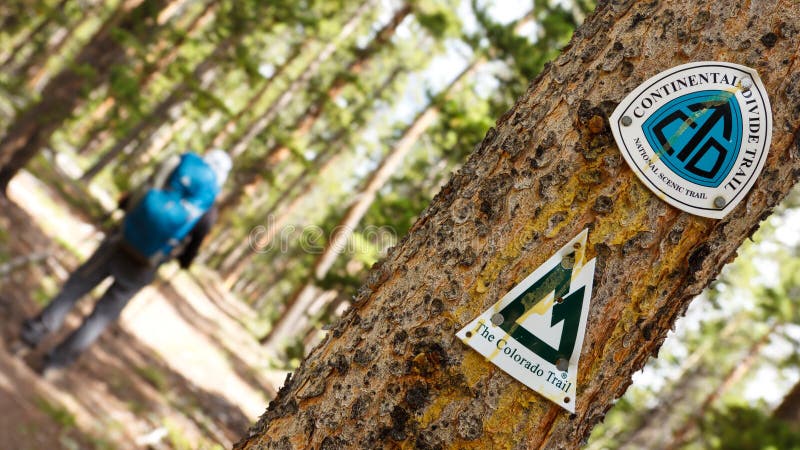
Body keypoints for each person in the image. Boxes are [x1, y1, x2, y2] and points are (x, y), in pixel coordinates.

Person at [18, 149, 232, 374]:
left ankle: (29, 338)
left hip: (120, 239)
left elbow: (143, 191)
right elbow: (191, 248)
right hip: (145, 264)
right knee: (100, 316)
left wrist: (126, 208)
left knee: (74, 289)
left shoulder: (178, 170)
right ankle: (54, 364)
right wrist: (182, 261)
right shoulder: (208, 208)